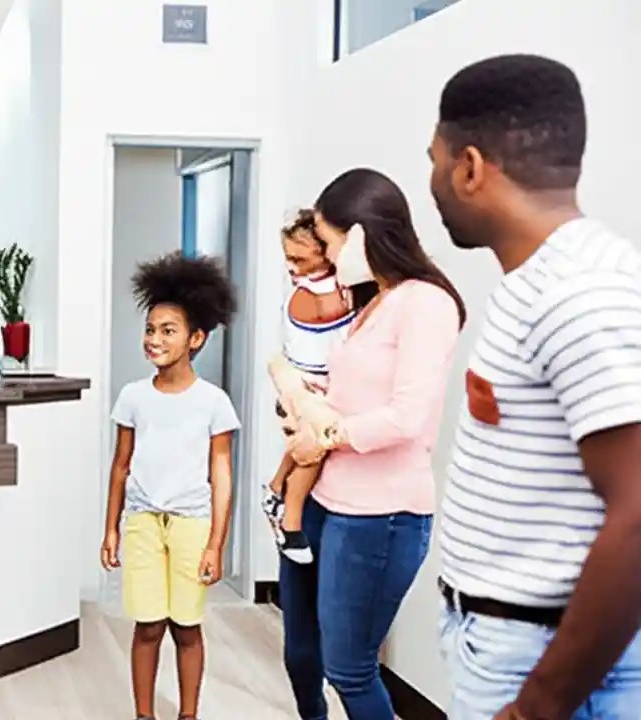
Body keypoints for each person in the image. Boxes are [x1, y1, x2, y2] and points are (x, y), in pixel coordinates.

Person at [429, 54, 641, 720]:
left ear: (469, 168)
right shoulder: (544, 281)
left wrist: (537, 706)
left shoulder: (582, 291)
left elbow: (638, 514)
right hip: (511, 646)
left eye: (433, 160)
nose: (431, 182)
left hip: (550, 666)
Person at [278, 168, 466, 720]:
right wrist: (310, 395)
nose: (328, 257)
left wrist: (326, 435)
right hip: (331, 501)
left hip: (381, 515)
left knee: (350, 669)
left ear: (359, 236)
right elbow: (360, 392)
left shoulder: (425, 303)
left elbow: (408, 416)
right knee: (310, 652)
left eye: (332, 242)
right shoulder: (378, 300)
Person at [100, 251, 240, 720]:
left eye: (168, 330)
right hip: (141, 522)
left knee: (186, 628)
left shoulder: (213, 403)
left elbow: (221, 475)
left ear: (196, 338)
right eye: (150, 329)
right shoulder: (133, 397)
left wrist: (216, 544)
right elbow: (120, 465)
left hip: (191, 526)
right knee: (147, 627)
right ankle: (144, 715)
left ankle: (188, 715)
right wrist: (112, 529)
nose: (154, 339)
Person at [262, 208, 356, 564]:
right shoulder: (316, 293)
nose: (291, 267)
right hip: (303, 388)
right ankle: (290, 520)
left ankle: (274, 490)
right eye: (288, 258)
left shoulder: (333, 286)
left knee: (302, 448)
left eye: (299, 258)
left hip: (317, 387)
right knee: (312, 453)